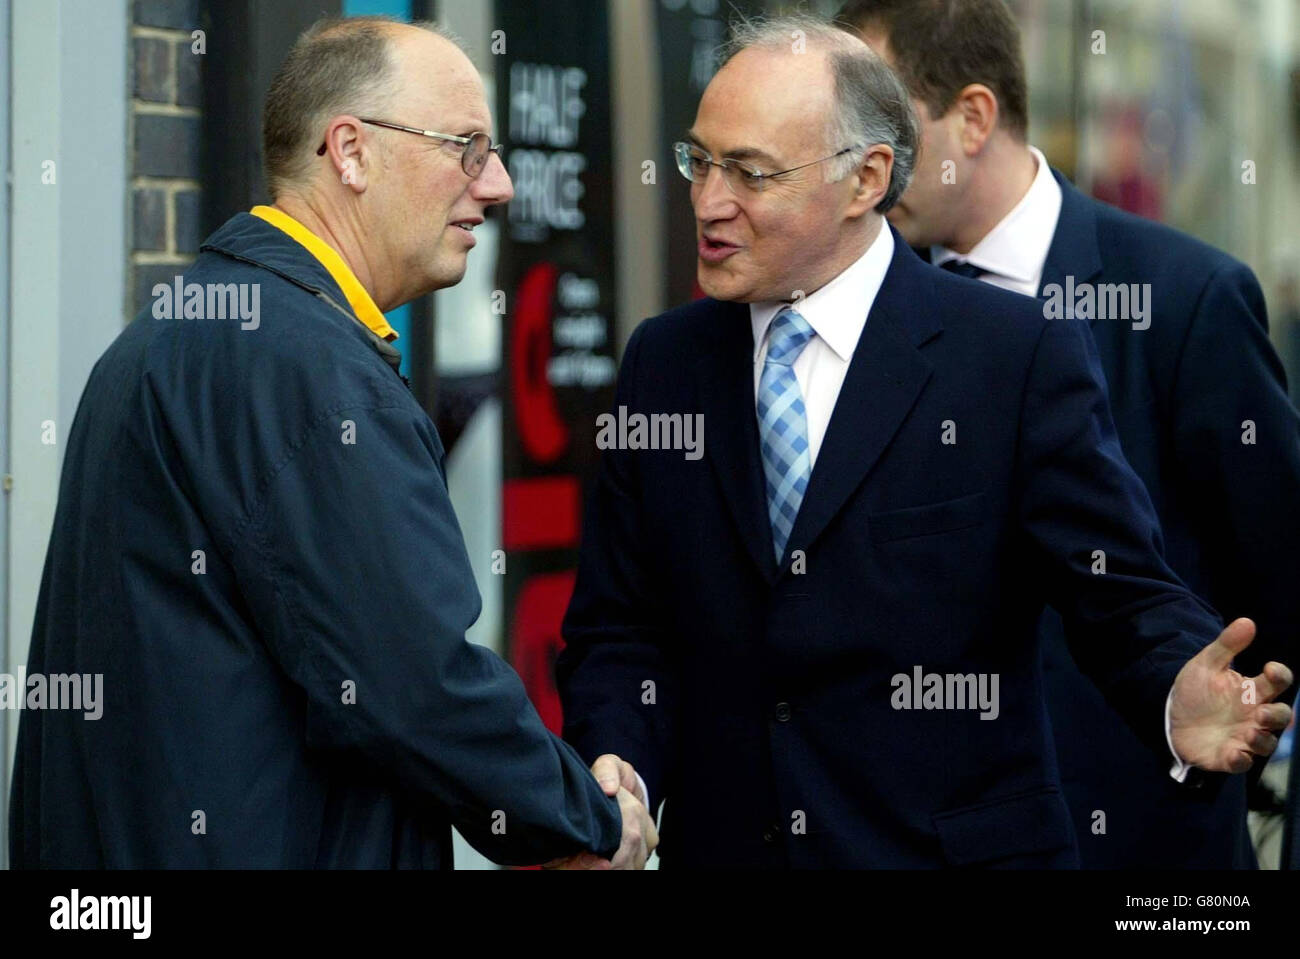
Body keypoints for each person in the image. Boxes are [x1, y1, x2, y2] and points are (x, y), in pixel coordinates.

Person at [556, 15, 1291, 869]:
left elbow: (1118, 592)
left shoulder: (1011, 353)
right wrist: (621, 772)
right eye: (700, 160)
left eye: (751, 173)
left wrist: (1177, 694)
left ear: (866, 178)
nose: (709, 200)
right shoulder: (666, 360)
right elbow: (620, 626)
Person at [9, 16, 655, 870]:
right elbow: (419, 689)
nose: (496, 184)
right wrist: (592, 822)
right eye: (465, 147)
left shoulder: (162, 337)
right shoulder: (316, 372)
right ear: (348, 151)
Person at [837, 0, 1300, 868]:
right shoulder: (864, 307)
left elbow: (1278, 571)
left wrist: (1204, 729)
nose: (865, 167)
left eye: (886, 128)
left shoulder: (1184, 298)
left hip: (1143, 844)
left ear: (973, 117)